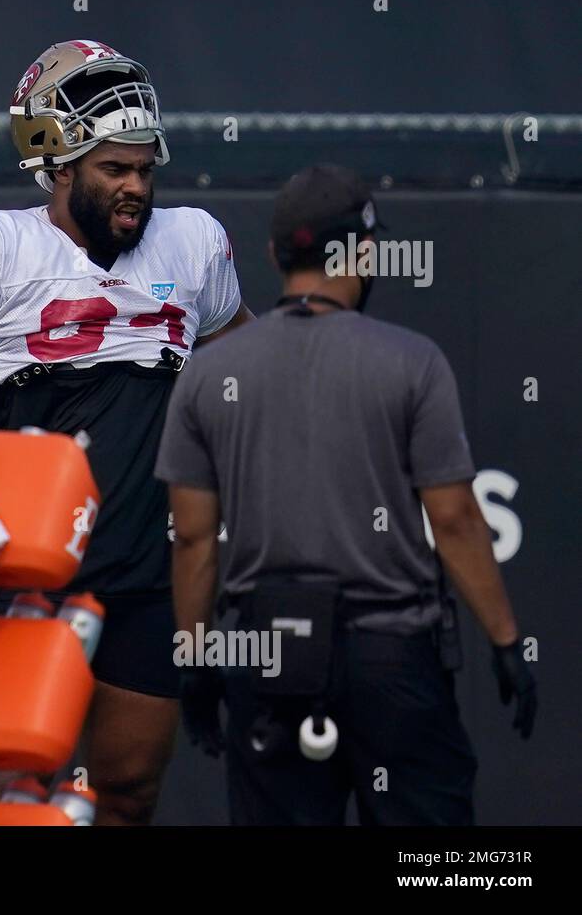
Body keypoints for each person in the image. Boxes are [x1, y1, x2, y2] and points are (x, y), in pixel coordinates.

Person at [0, 39, 252, 823]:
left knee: (126, 790)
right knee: (2, 781)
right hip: (23, 562)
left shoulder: (192, 245)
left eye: (145, 171)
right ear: (58, 163)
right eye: (114, 169)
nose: (135, 189)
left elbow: (247, 377)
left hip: (146, 566)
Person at [155, 164, 537, 825]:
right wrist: (506, 641)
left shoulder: (210, 373)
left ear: (275, 255)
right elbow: (454, 520)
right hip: (392, 654)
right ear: (362, 253)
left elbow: (192, 538)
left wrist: (194, 661)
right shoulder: (411, 361)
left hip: (268, 651)